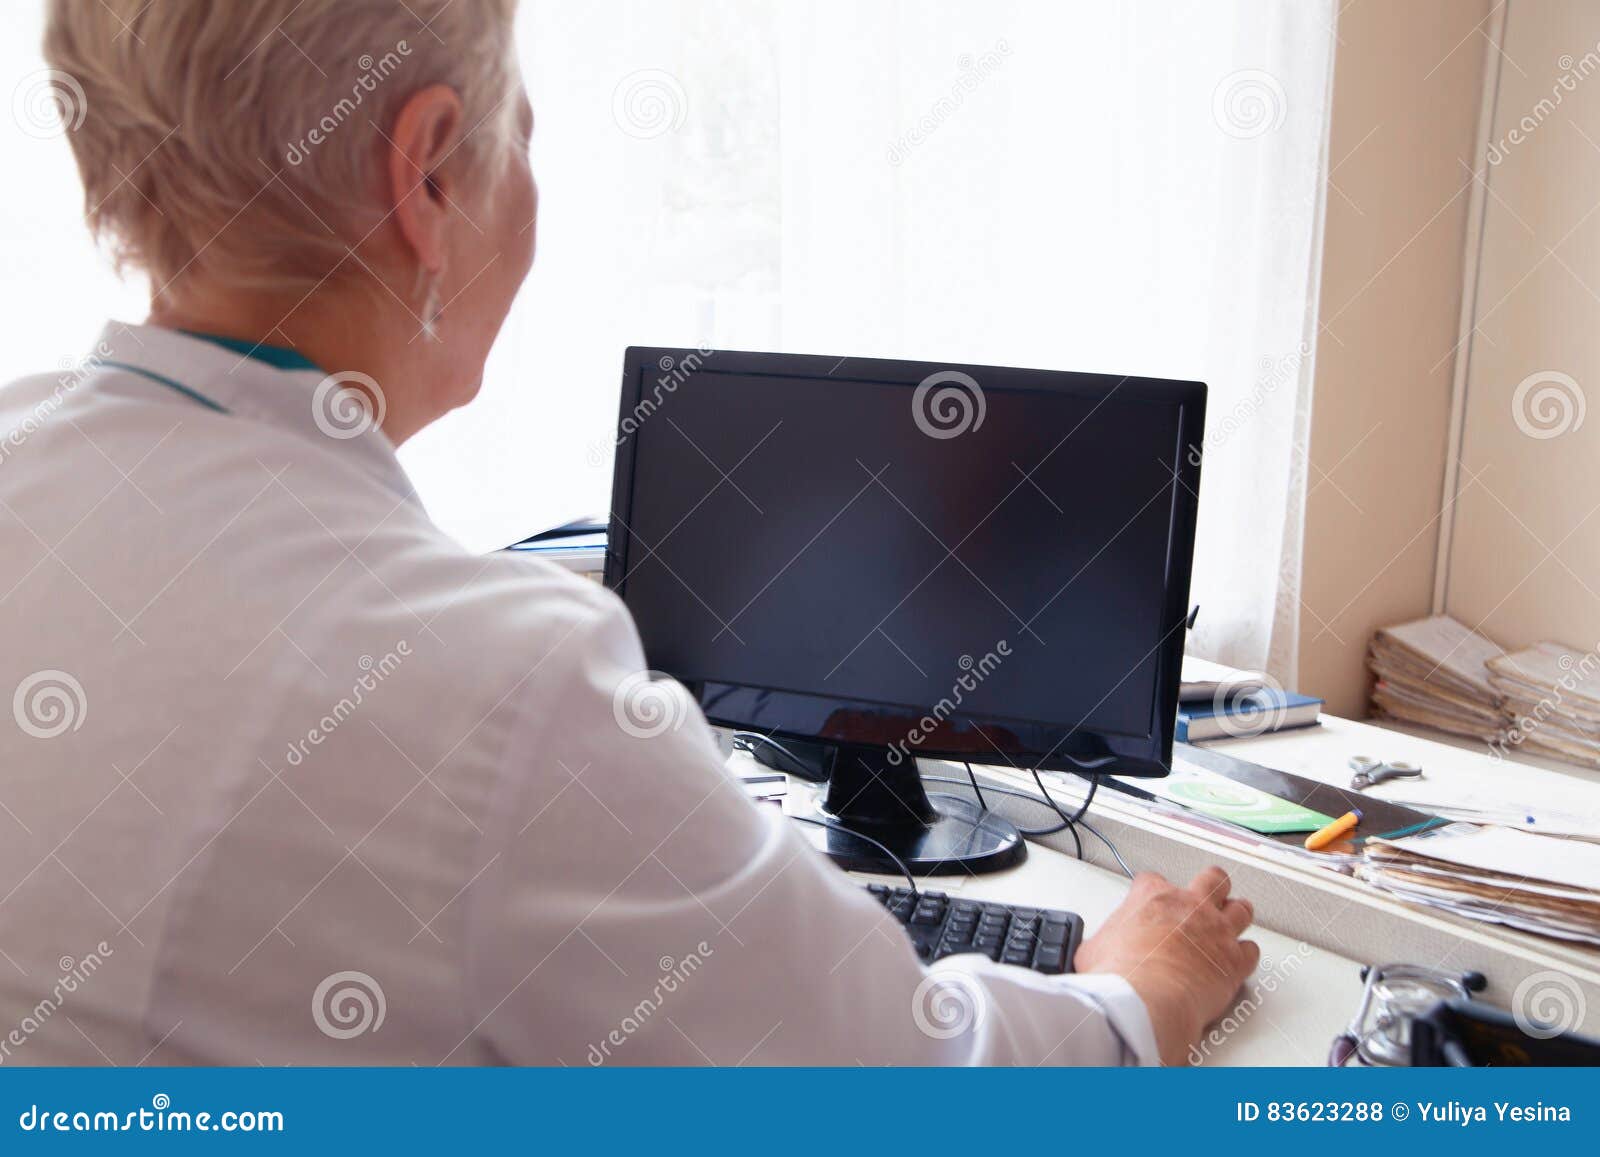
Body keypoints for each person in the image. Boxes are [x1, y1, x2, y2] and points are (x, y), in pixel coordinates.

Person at [0, 0, 1257, 1066]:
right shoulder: (492, 677)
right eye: (521, 141)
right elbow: (898, 1077)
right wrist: (1137, 992)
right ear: (429, 171)